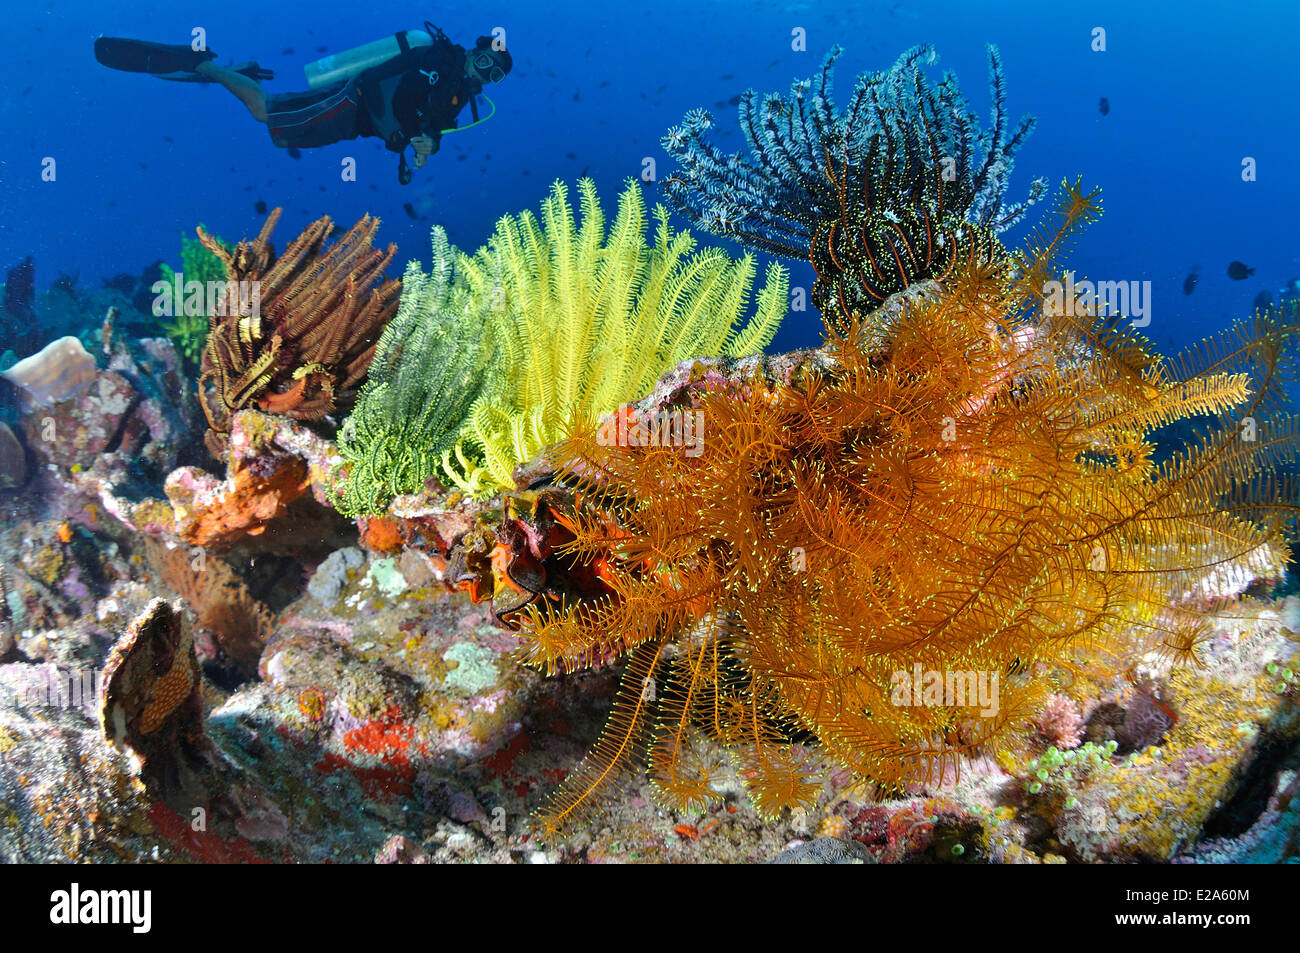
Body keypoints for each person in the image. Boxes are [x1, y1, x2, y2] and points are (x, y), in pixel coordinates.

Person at [93, 24, 511, 183]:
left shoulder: (458, 97)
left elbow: (434, 128)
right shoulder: (439, 60)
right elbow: (402, 98)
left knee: (276, 122)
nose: (484, 72)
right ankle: (201, 64)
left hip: (356, 122)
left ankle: (238, 72)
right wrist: (409, 134)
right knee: (266, 112)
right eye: (485, 61)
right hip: (353, 102)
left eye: (493, 74)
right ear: (475, 52)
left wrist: (427, 144)